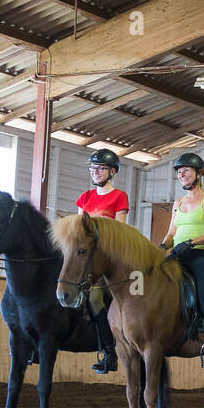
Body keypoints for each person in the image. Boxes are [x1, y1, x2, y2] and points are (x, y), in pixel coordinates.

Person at [158, 153, 204, 368]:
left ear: (199, 173)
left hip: (201, 255)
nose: (181, 174)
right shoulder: (178, 203)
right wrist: (162, 246)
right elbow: (170, 233)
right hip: (177, 254)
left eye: (186, 170)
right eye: (179, 172)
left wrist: (190, 242)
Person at [74, 148, 128, 374]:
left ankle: (109, 353)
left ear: (112, 171)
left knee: (95, 297)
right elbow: (77, 231)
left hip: (106, 258)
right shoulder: (84, 198)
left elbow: (119, 230)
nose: (95, 172)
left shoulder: (119, 197)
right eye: (93, 168)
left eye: (100, 168)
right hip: (84, 258)